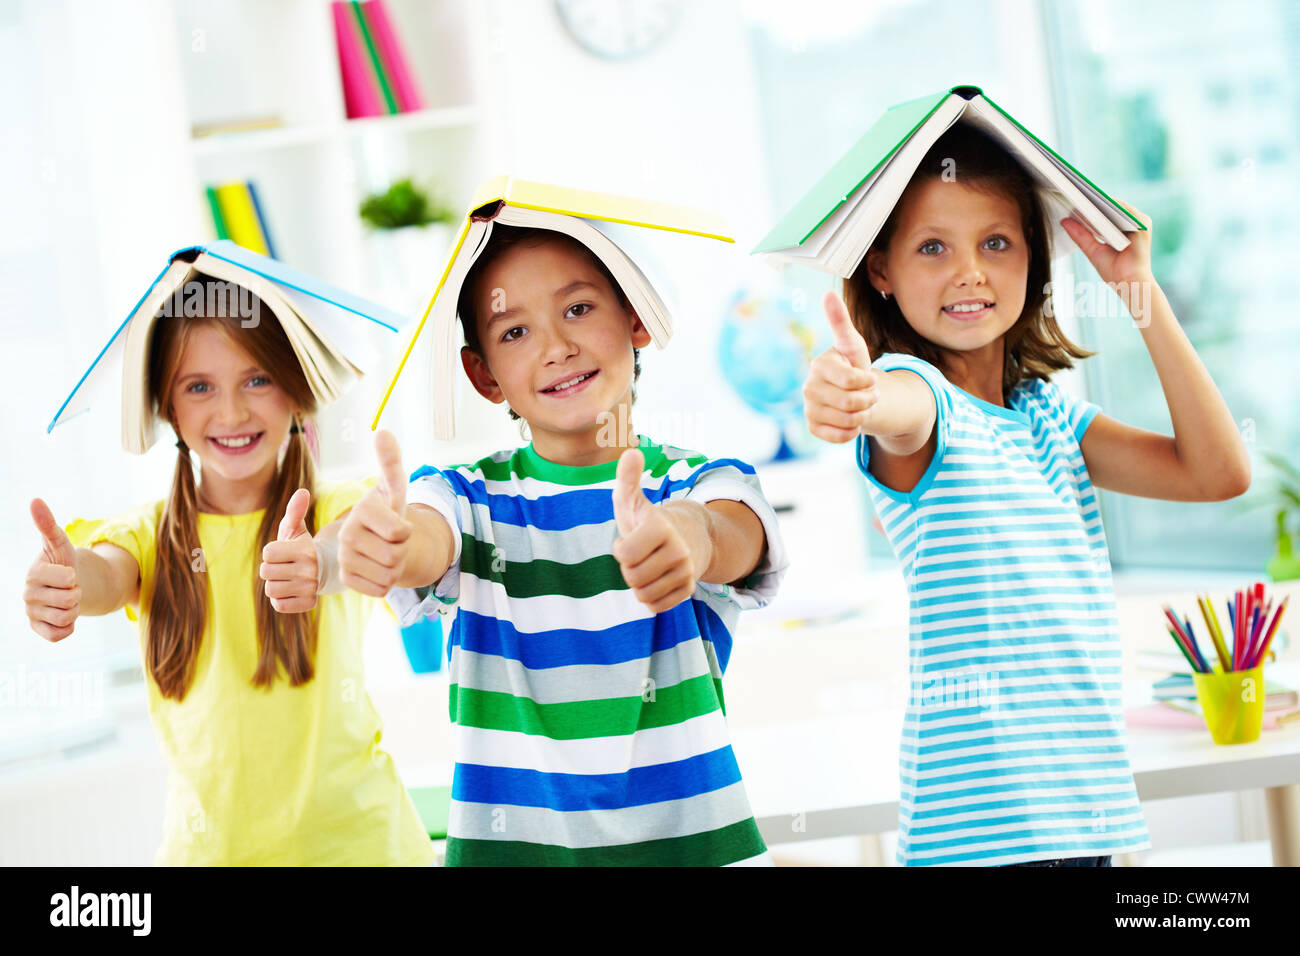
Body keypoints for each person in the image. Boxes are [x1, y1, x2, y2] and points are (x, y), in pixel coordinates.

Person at [801, 124, 1250, 866]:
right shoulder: (923, 397)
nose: (970, 272)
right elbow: (896, 409)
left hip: (1084, 816)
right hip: (986, 836)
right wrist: (853, 395)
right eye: (933, 247)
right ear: (881, 270)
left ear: (1034, 263)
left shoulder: (1047, 420)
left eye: (997, 243)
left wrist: (1139, 290)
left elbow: (1216, 473)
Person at [325, 225, 789, 865]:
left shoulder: (697, 485)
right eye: (515, 331)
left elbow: (732, 531)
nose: (557, 346)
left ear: (634, 317)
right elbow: (426, 537)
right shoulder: (465, 500)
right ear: (483, 373)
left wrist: (687, 534)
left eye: (577, 308)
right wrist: (390, 545)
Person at [24, 278, 433, 865]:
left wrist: (322, 561)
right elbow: (103, 574)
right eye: (199, 387)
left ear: (295, 391)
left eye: (258, 379)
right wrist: (67, 584)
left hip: (365, 850)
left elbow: (352, 541)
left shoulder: (341, 508)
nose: (232, 411)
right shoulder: (148, 536)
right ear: (167, 406)